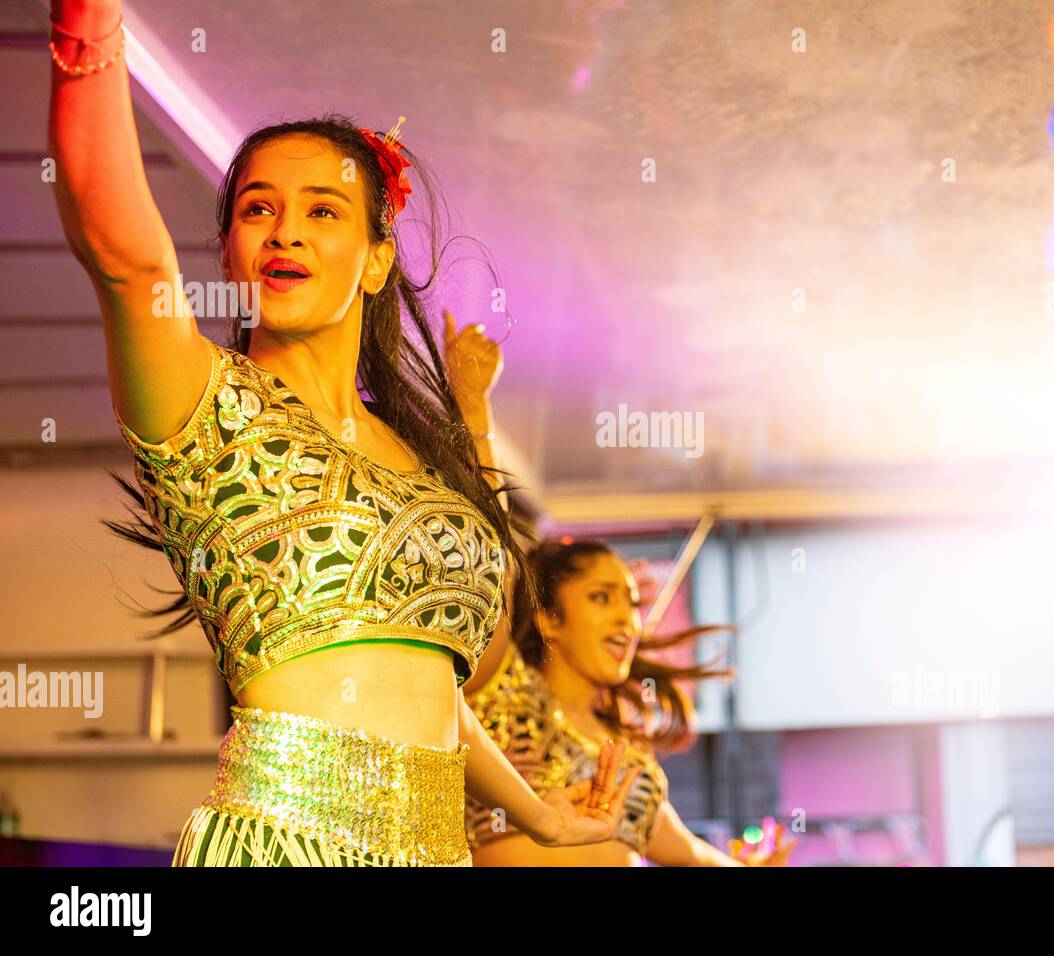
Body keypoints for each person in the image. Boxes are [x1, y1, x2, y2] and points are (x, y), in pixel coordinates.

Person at [49, 0, 638, 866]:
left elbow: (428, 687)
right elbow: (122, 253)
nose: (285, 229)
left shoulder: (419, 458)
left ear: (375, 258)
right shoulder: (207, 409)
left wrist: (539, 817)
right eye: (258, 209)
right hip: (286, 838)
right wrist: (85, 26)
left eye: (322, 210)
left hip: (437, 848)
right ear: (229, 252)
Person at [443, 327, 794, 866]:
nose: (629, 620)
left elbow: (695, 858)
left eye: (631, 603)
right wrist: (474, 409)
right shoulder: (503, 696)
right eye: (603, 597)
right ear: (548, 619)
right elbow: (493, 552)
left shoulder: (629, 759)